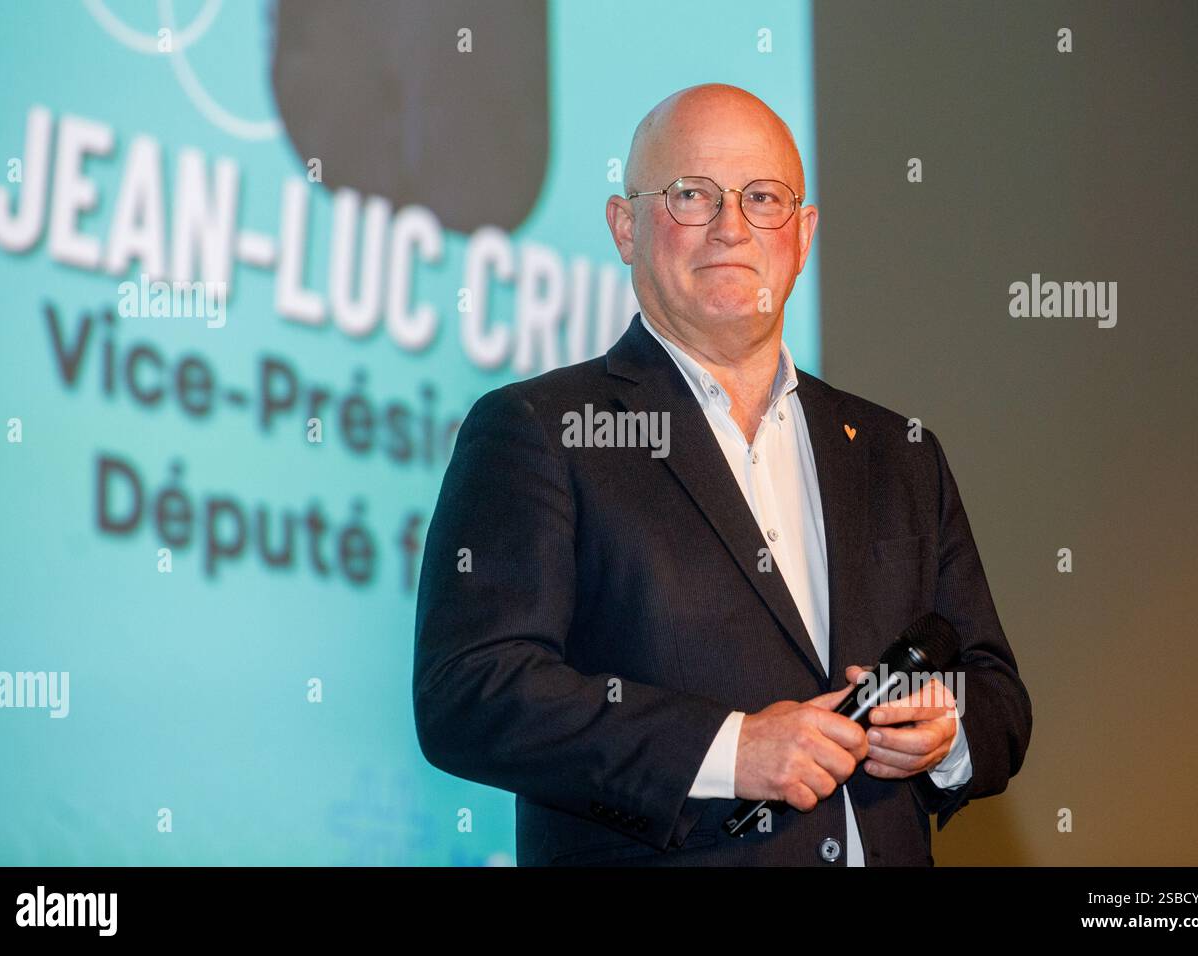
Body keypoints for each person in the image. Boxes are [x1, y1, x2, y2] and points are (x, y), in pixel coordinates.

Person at [413, 83, 1032, 866]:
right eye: (691, 196)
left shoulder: (898, 452)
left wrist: (947, 736)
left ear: (803, 236)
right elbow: (469, 693)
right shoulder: (539, 431)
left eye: (763, 198)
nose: (731, 227)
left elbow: (998, 696)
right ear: (625, 225)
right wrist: (728, 750)